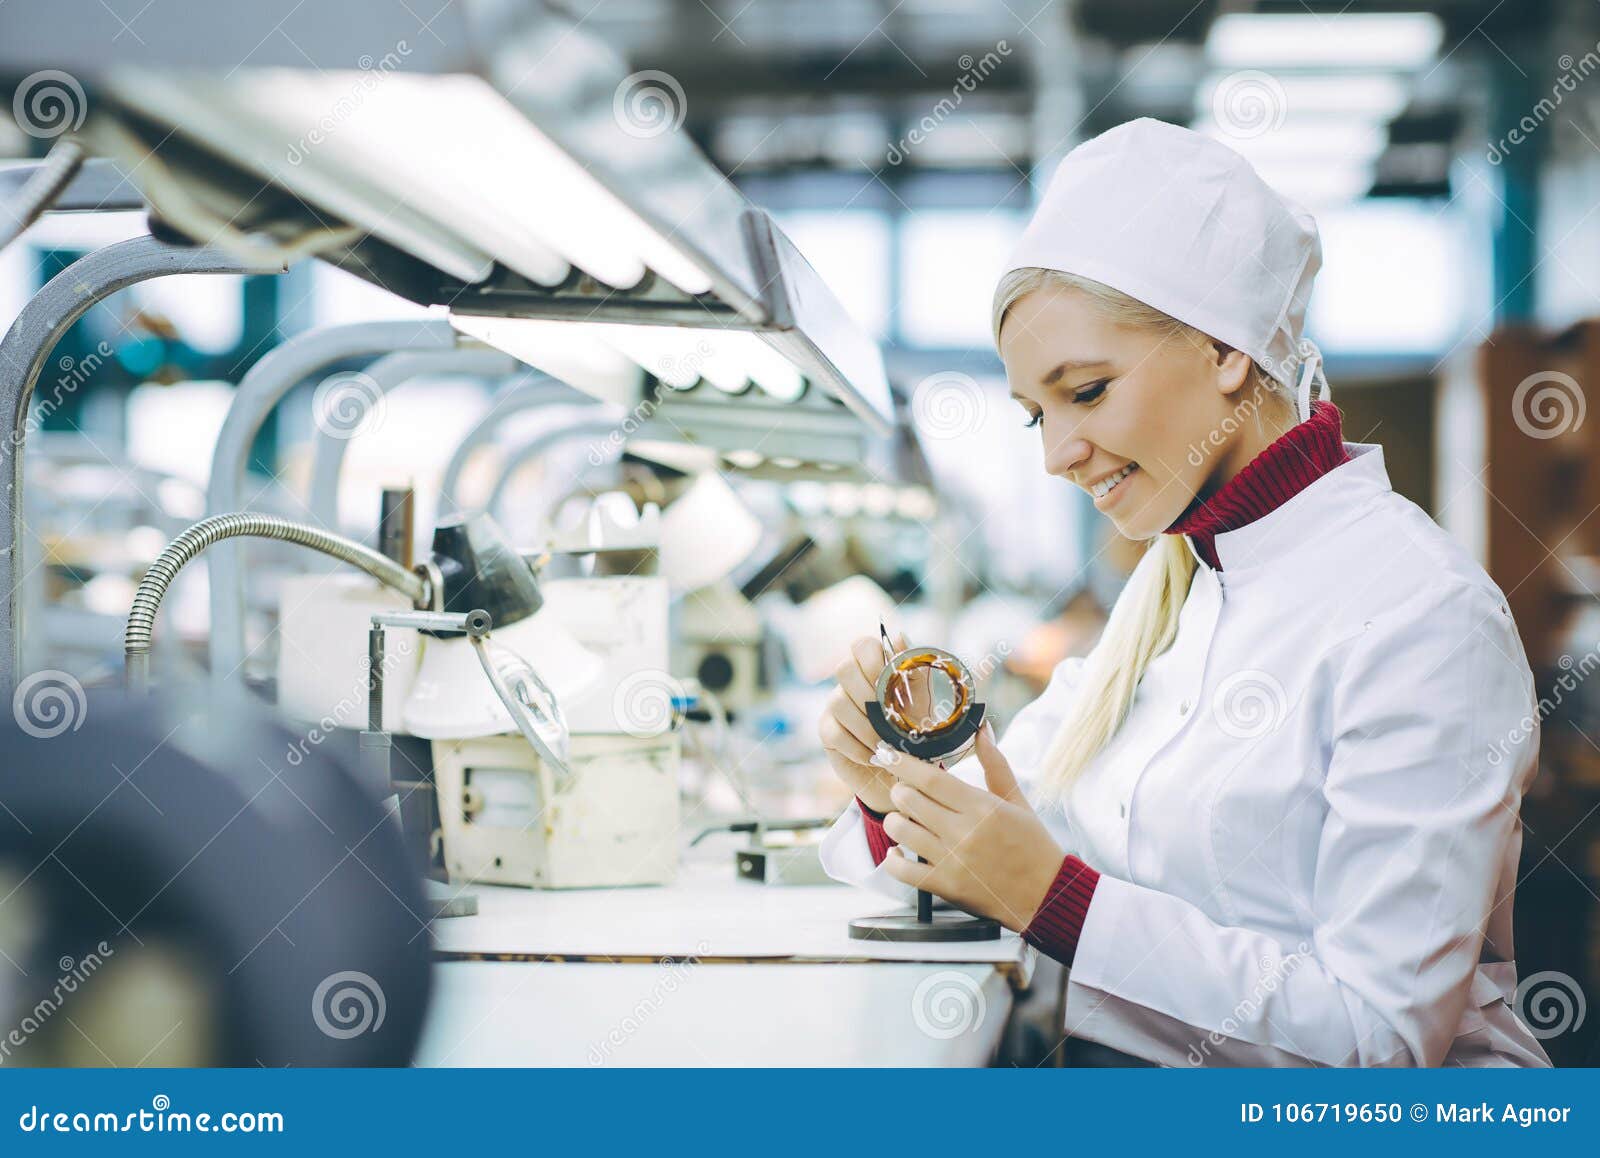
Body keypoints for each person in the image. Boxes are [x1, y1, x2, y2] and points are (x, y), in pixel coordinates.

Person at [815, 118, 1550, 1068]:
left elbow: (1382, 1041)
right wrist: (897, 791)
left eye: (1086, 392)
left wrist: (1058, 900)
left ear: (1225, 352)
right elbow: (1018, 826)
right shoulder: (1176, 585)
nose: (1054, 454)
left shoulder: (1422, 617)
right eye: (1035, 413)